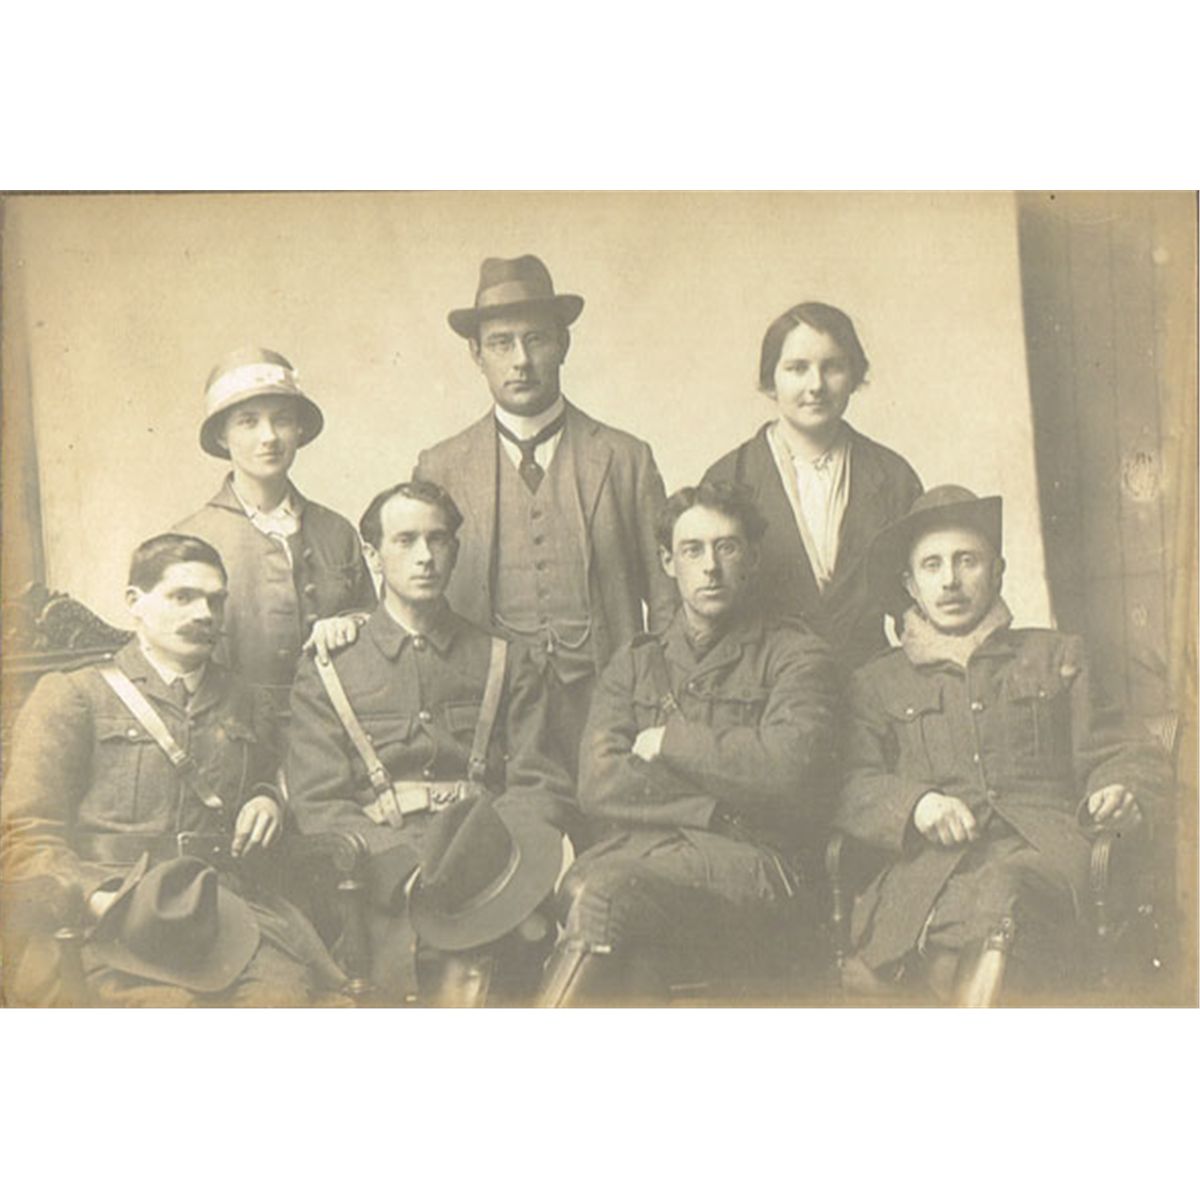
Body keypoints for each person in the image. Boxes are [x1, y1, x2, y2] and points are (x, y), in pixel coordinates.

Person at [834, 486, 1170, 1004]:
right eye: (931, 565)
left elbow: (1124, 751)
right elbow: (851, 781)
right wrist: (916, 805)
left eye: (966, 561)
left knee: (1005, 891)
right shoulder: (878, 682)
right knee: (957, 941)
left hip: (1044, 855)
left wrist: (1120, 788)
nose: (949, 580)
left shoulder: (1055, 653)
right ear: (910, 584)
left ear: (997, 571)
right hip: (930, 872)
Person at [0, 534, 345, 1007]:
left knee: (280, 1003)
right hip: (113, 920)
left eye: (215, 601)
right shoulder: (73, 696)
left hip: (226, 914)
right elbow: (25, 836)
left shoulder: (247, 701)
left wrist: (269, 798)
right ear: (134, 603)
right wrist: (96, 897)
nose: (204, 614)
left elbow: (276, 774)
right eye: (182, 597)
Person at [538, 481, 839, 1005]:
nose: (711, 566)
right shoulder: (636, 662)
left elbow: (787, 768)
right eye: (692, 550)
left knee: (599, 894)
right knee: (628, 957)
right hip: (650, 859)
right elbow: (599, 782)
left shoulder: (794, 654)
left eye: (727, 547)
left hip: (758, 866)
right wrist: (716, 804)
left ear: (752, 558)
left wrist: (669, 743)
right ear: (667, 562)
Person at [285, 480, 576, 1005]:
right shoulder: (329, 669)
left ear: (455, 550)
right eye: (405, 541)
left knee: (510, 958)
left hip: (485, 862)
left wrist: (489, 855)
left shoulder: (503, 658)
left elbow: (539, 781)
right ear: (373, 555)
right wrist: (401, 870)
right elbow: (319, 803)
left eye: (438, 540)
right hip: (380, 877)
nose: (425, 557)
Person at [408, 254, 676, 777]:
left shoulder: (624, 458)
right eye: (501, 344)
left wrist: (662, 701)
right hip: (488, 712)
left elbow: (666, 599)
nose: (520, 361)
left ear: (563, 344)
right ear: (475, 354)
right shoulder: (440, 466)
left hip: (610, 704)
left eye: (536, 339)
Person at [703, 301, 922, 669]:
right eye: (797, 368)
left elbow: (918, 604)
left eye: (833, 367)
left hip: (869, 684)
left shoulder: (892, 477)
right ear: (771, 380)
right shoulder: (730, 478)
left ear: (854, 376)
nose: (816, 385)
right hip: (765, 687)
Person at [175, 347, 375, 744]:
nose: (268, 438)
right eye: (248, 422)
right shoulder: (190, 540)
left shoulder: (336, 531)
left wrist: (353, 622)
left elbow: (376, 624)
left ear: (299, 430)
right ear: (221, 435)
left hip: (338, 734)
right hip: (231, 736)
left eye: (281, 420)